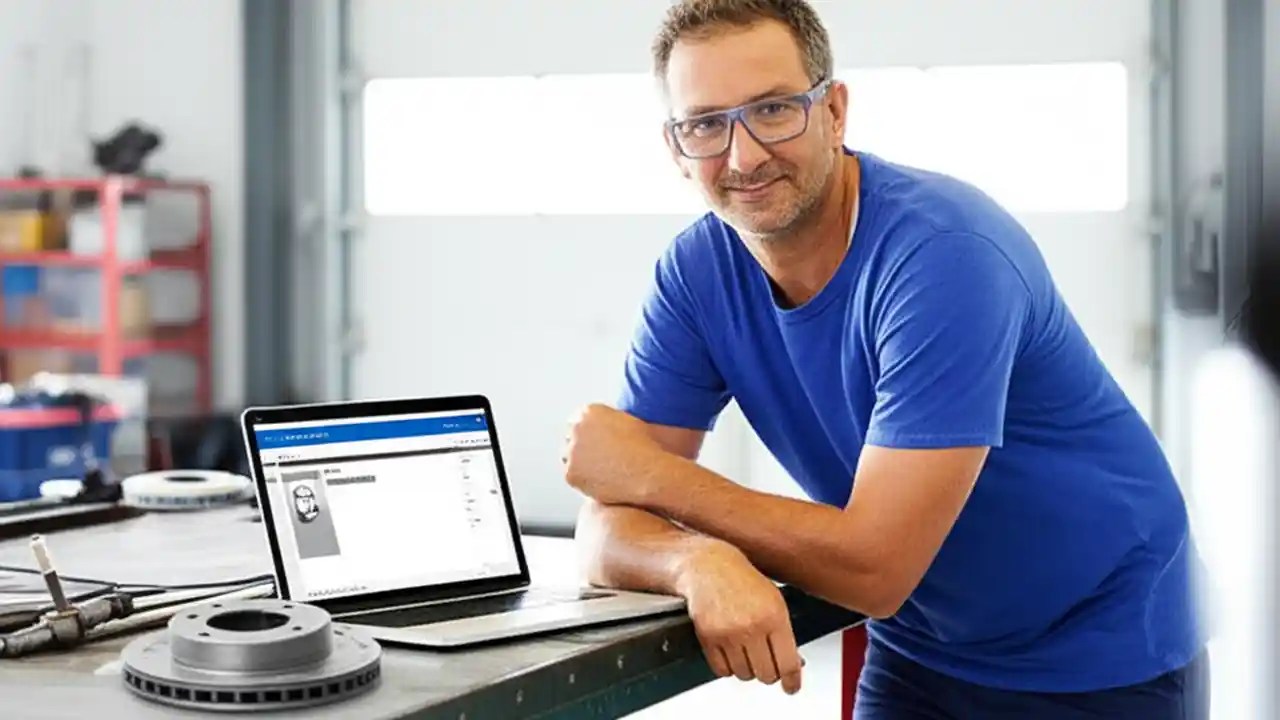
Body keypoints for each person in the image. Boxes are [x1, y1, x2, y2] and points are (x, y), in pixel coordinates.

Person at [562, 0, 1208, 717]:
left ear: (834, 112)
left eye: (774, 109)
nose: (743, 156)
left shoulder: (943, 256)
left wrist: (657, 477)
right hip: (925, 652)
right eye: (706, 124)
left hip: (1100, 651)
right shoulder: (695, 275)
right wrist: (693, 560)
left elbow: (873, 568)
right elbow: (605, 525)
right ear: (676, 148)